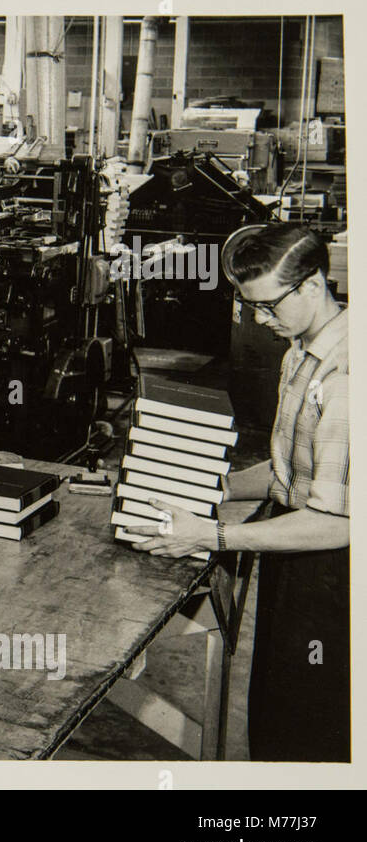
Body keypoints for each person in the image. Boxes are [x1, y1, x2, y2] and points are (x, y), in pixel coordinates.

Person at [126, 223, 349, 762]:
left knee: (312, 726)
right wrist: (205, 484)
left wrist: (213, 534)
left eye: (267, 305)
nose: (258, 318)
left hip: (335, 575)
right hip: (296, 554)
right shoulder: (301, 350)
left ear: (313, 285)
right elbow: (286, 474)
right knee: (274, 709)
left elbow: (340, 520)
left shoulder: (347, 376)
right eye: (250, 305)